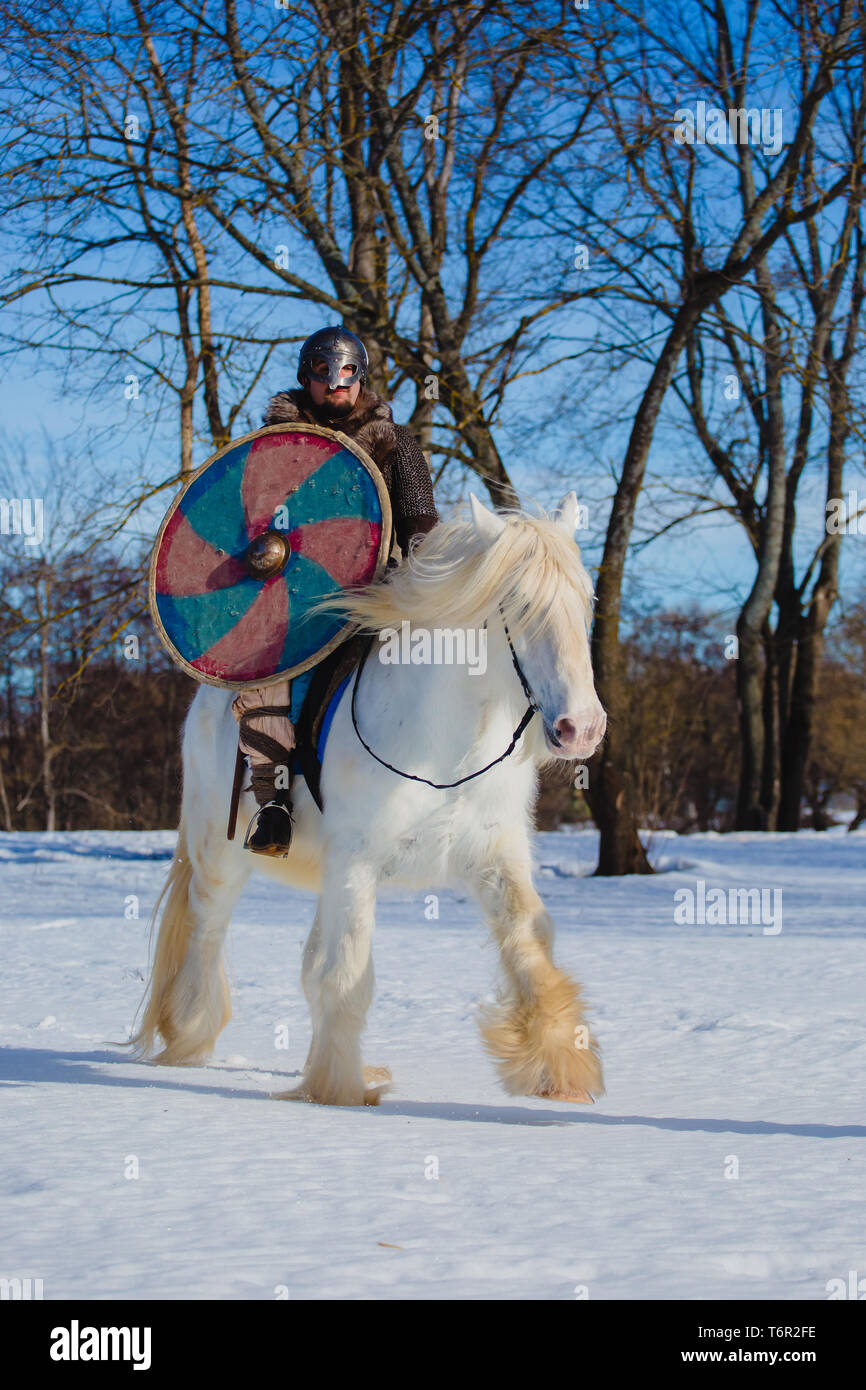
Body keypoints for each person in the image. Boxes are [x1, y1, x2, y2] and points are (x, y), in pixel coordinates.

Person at [233, 325, 439, 856]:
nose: (336, 385)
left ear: (361, 378)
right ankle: (274, 805)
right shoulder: (273, 445)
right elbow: (245, 520)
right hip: (290, 594)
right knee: (273, 682)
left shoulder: (395, 444)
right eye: (324, 375)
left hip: (374, 592)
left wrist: (417, 579)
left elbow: (420, 524)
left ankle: (432, 796)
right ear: (307, 379)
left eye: (347, 375)